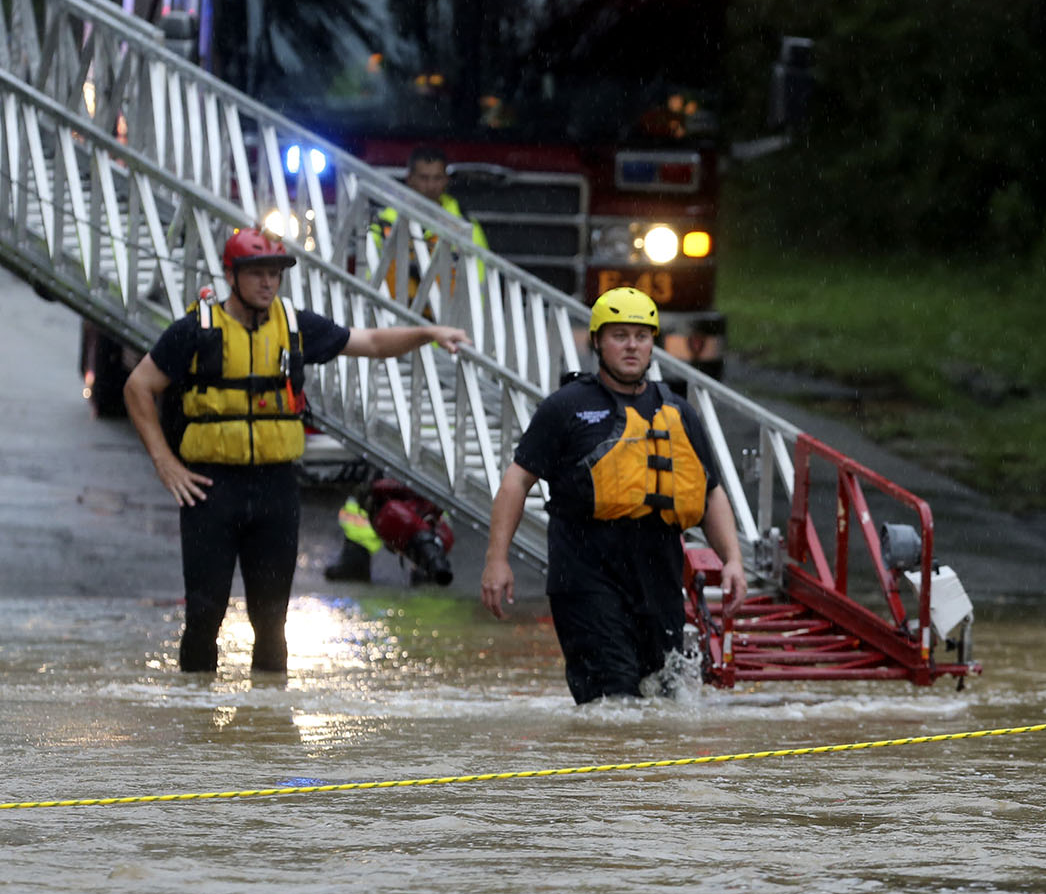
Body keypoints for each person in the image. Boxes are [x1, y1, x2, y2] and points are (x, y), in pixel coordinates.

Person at [123, 228, 469, 673]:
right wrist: (165, 463)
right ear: (232, 275)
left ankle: (269, 734)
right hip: (212, 489)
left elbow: (373, 343)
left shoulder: (296, 326)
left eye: (274, 275)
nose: (268, 283)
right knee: (204, 615)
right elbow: (138, 387)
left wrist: (428, 332)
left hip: (276, 491)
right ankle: (198, 731)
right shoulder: (197, 330)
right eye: (257, 274)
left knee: (271, 622)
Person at [481, 287, 747, 703]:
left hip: (657, 577)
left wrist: (732, 560)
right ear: (597, 342)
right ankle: (607, 769)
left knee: (666, 699)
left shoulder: (678, 412)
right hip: (586, 575)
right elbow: (517, 481)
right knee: (613, 702)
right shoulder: (566, 407)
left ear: (653, 344)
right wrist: (497, 560)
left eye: (641, 336)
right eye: (619, 335)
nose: (631, 346)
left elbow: (710, 492)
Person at [327, 146, 488, 583]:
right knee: (375, 456)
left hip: (443, 355)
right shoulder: (386, 220)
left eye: (438, 178)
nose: (430, 186)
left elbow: (475, 284)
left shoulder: (463, 227)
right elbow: (372, 277)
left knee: (435, 462)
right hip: (391, 348)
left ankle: (426, 552)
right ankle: (357, 554)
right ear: (409, 179)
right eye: (423, 178)